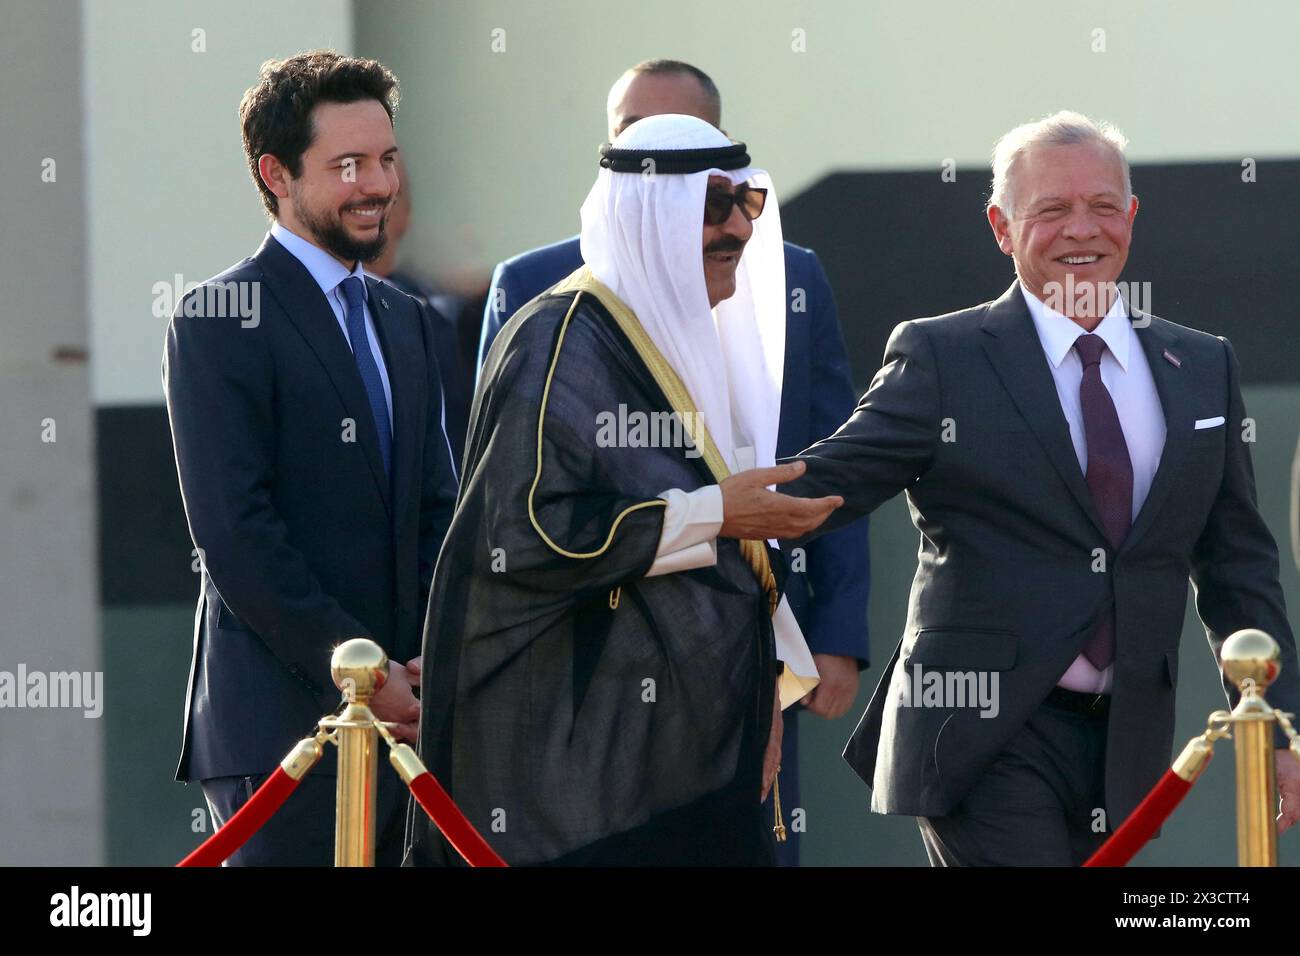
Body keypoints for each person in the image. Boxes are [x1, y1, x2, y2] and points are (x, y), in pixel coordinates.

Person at [750, 110, 1300, 865]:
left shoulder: (1203, 365)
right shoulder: (942, 355)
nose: (1083, 230)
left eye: (1103, 206)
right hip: (979, 733)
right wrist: (699, 510)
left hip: (1126, 743)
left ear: (1131, 217)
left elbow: (1238, 564)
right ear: (1002, 227)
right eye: (1051, 210)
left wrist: (1279, 724)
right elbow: (831, 481)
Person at [407, 114, 841, 866]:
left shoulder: (695, 341)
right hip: (590, 772)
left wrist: (763, 687)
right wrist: (716, 512)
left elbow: (738, 563)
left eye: (748, 204)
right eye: (713, 207)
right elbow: (524, 533)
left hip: (705, 751)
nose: (737, 227)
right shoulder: (561, 337)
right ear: (653, 215)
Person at [163, 50, 457, 865]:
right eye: (349, 165)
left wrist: (437, 656)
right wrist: (360, 677)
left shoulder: (408, 320)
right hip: (285, 739)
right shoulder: (220, 319)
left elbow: (440, 505)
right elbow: (235, 534)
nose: (378, 186)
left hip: (417, 731)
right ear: (277, 174)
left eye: (388, 159)